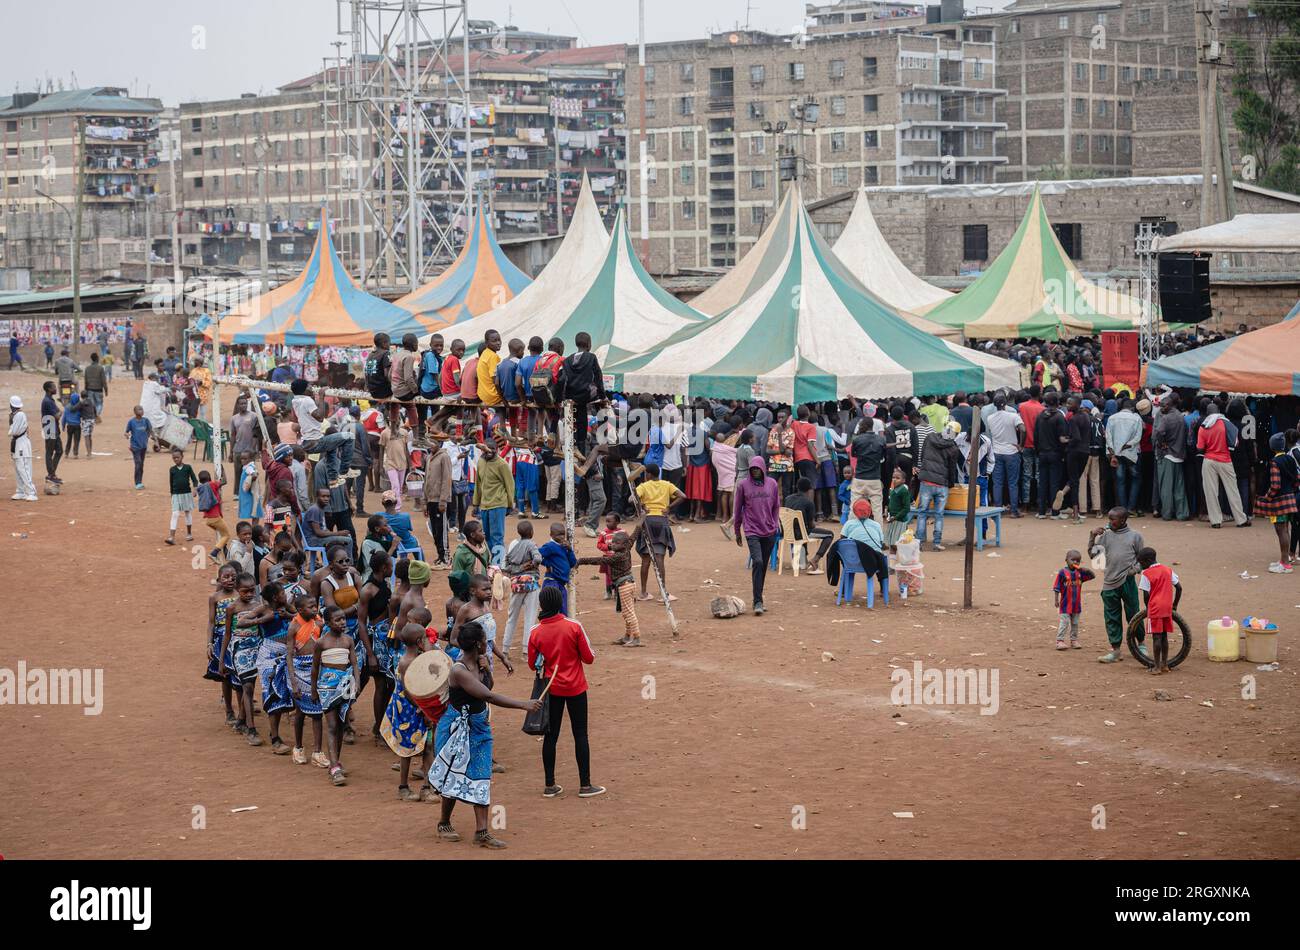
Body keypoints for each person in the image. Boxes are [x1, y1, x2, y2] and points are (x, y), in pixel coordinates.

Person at [431, 620, 542, 849]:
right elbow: (488, 696)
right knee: (454, 776)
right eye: (484, 641)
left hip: (478, 726)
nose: (487, 645)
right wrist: (524, 705)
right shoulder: (458, 670)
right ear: (476, 645)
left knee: (481, 774)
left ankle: (482, 831)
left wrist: (486, 668)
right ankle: (444, 822)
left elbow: (488, 687)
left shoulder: (476, 664)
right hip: (457, 729)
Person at [527, 584, 606, 798]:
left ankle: (550, 784)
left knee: (550, 736)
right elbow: (589, 658)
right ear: (560, 603)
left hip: (551, 689)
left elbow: (533, 664)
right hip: (576, 687)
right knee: (580, 734)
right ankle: (585, 785)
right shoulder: (573, 626)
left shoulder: (535, 631)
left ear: (542, 604)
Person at [382, 622, 438, 802]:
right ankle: (403, 787)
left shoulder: (413, 657)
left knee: (428, 745)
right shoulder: (408, 662)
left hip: (415, 708)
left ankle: (426, 787)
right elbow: (408, 690)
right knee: (406, 749)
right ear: (419, 641)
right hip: (410, 709)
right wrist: (423, 708)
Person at [310, 605, 361, 786]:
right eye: (337, 620)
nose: (342, 622)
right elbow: (315, 668)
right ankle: (334, 768)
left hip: (345, 686)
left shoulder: (348, 640)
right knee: (332, 725)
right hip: (327, 686)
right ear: (328, 622)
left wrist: (357, 682)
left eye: (343, 619)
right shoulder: (321, 643)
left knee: (340, 725)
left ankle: (336, 762)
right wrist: (314, 690)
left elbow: (354, 664)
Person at [1088, 507, 1145, 664]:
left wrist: (1133, 571)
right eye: (1109, 518)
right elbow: (1094, 555)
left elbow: (1142, 558)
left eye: (1113, 519)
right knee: (1111, 617)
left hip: (1127, 582)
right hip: (1109, 583)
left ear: (1123, 520)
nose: (1110, 522)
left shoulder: (1135, 536)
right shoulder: (1105, 536)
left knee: (1134, 613)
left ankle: (1141, 644)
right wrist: (1092, 536)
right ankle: (1116, 650)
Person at [219, 572, 265, 747]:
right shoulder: (232, 608)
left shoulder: (257, 605)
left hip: (256, 648)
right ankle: (251, 729)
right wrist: (222, 659)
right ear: (238, 590)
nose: (249, 594)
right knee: (247, 686)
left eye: (252, 591)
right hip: (239, 650)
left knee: (250, 686)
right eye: (245, 591)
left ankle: (240, 720)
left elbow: (261, 629)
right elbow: (228, 634)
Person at [733, 456, 781, 616]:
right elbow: (737, 508)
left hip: (769, 531)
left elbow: (776, 506)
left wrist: (775, 525)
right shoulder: (743, 486)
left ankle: (758, 598)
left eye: (757, 469)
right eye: (752, 470)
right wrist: (737, 530)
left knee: (763, 566)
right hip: (751, 529)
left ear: (762, 469)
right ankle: (757, 602)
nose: (755, 472)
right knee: (758, 562)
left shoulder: (772, 484)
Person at [578, 530, 641, 647]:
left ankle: (636, 638)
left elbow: (599, 560)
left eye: (616, 543)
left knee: (629, 613)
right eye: (612, 542)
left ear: (623, 545)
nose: (612, 545)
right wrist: (641, 521)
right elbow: (634, 535)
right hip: (628, 584)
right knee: (627, 613)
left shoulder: (617, 556)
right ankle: (627, 636)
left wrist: (581, 561)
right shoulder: (627, 547)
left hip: (624, 586)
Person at [633, 463, 683, 603]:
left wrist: (642, 506)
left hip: (647, 521)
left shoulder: (643, 486)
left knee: (646, 559)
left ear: (648, 474)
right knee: (659, 557)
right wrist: (669, 507)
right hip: (661, 520)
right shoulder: (667, 484)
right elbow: (682, 495)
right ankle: (663, 592)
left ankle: (643, 593)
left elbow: (632, 498)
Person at [290, 379, 354, 488]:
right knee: (350, 436)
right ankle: (344, 470)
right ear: (304, 390)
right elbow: (320, 418)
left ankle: (333, 479)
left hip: (308, 443)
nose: (312, 388)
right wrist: (321, 397)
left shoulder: (295, 401)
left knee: (332, 445)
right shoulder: (307, 401)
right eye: (309, 386)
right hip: (316, 442)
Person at [1197, 402, 1250, 529]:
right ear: (1219, 411)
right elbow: (1235, 443)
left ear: (1207, 413)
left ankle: (1215, 521)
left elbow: (1200, 448)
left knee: (1211, 491)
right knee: (1233, 490)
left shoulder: (1203, 426)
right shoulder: (1226, 423)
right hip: (1225, 460)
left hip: (1208, 461)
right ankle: (1241, 520)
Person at [914, 420, 960, 552]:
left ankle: (919, 542)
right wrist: (950, 484)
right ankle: (937, 543)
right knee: (939, 515)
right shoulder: (953, 448)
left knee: (922, 513)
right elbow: (952, 470)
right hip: (942, 485)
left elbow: (922, 456)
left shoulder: (930, 438)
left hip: (926, 481)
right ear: (955, 434)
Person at [1256, 431, 1298, 574]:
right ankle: (1283, 560)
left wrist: (1267, 497)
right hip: (1290, 498)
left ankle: (1285, 564)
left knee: (1281, 531)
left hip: (1279, 502)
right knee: (1285, 529)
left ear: (1272, 447)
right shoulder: (1290, 459)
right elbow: (1297, 479)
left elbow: (1275, 485)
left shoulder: (1274, 462)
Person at [1136, 547, 1182, 675]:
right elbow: (1179, 588)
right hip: (1167, 607)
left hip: (1155, 608)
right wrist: (1174, 605)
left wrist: (1148, 609)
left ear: (1148, 560)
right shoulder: (1168, 570)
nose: (1141, 565)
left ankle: (1156, 667)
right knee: (1164, 636)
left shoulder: (1146, 574)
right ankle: (1165, 665)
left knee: (1156, 637)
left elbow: (1146, 595)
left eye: (1141, 562)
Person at [502, 520, 543, 657]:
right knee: (530, 617)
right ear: (531, 532)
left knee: (512, 617)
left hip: (517, 584)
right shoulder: (531, 544)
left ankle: (505, 649)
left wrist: (517, 569)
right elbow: (538, 559)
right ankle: (526, 651)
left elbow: (505, 566)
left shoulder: (515, 546)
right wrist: (528, 566)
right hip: (531, 583)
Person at [472, 437, 514, 566]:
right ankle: (494, 561)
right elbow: (478, 484)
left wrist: (510, 505)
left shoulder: (502, 464)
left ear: (496, 450)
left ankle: (499, 564)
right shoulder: (480, 462)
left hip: (498, 504)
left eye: (492, 450)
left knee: (497, 537)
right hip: (484, 505)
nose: (488, 453)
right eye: (486, 450)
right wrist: (476, 503)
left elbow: (510, 485)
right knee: (487, 537)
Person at [783, 476, 834, 575]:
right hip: (802, 533)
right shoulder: (809, 502)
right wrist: (814, 525)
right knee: (829, 534)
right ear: (809, 489)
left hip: (788, 532)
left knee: (803, 528)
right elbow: (811, 525)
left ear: (797, 487)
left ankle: (802, 560)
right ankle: (815, 559)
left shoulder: (788, 499)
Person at [986, 393, 1025, 517]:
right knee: (1012, 482)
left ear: (994, 404)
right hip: (1011, 452)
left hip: (997, 452)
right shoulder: (1013, 416)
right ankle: (1013, 511)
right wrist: (1021, 445)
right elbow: (1023, 429)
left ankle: (997, 510)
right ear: (1006, 403)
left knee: (998, 483)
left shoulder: (990, 418)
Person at [1153, 394, 1190, 522]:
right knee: (1179, 487)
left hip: (1167, 455)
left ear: (1169, 405)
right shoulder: (1181, 417)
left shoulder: (1166, 418)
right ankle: (1182, 514)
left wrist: (1161, 443)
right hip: (1179, 455)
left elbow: (1158, 432)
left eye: (1163, 406)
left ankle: (1167, 513)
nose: (1161, 408)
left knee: (1166, 487)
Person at [1105, 399, 1143, 516]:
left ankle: (1123, 509)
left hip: (1116, 454)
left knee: (1120, 481)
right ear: (1132, 408)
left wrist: (1113, 451)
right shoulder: (1136, 419)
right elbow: (1138, 437)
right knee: (1136, 479)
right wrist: (1126, 446)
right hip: (1131, 453)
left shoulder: (1112, 418)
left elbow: (1108, 436)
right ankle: (1131, 508)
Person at [1035, 392, 1070, 519]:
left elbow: (1036, 436)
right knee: (1054, 483)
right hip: (1055, 454)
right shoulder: (1059, 418)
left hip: (1042, 453)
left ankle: (1041, 511)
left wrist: (1038, 451)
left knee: (1042, 482)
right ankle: (1055, 512)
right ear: (1057, 403)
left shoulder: (1040, 416)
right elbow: (1062, 439)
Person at [1052, 549, 1095, 651]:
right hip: (1065, 604)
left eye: (1078, 560)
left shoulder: (1079, 573)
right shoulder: (1063, 572)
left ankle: (1074, 640)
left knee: (1075, 623)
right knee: (1065, 622)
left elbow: (1092, 576)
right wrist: (1056, 599)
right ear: (1066, 560)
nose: (1075, 562)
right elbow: (1056, 587)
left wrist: (1086, 570)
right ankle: (1060, 641)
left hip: (1076, 605)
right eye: (1073, 560)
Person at [422, 438, 453, 566]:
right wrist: (425, 501)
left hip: (440, 500)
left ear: (439, 443)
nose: (431, 445)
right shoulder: (429, 457)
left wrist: (443, 500)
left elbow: (447, 479)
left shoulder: (444, 457)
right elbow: (426, 481)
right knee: (434, 530)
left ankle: (446, 557)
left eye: (433, 442)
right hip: (430, 499)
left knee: (442, 530)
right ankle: (440, 555)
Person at [539, 521, 578, 616]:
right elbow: (537, 556)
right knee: (551, 609)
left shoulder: (564, 546)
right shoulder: (549, 546)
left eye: (563, 534)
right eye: (558, 535)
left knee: (563, 610)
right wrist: (547, 564)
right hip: (552, 582)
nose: (561, 537)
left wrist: (570, 550)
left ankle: (563, 628)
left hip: (561, 584)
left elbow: (573, 563)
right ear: (551, 535)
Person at [197, 469, 232, 565]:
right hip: (215, 518)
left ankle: (224, 552)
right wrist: (223, 470)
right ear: (209, 478)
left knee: (222, 534)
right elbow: (224, 481)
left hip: (209, 519)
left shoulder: (201, 488)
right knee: (226, 535)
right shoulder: (212, 484)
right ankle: (214, 553)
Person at [165, 448, 198, 544]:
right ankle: (171, 537)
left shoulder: (188, 467)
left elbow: (194, 480)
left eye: (177, 457)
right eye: (174, 458)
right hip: (176, 494)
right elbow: (171, 483)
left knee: (187, 512)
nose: (175, 459)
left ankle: (189, 533)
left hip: (186, 494)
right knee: (175, 514)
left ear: (182, 457)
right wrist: (172, 494)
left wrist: (195, 489)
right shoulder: (172, 470)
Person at [9, 395, 36, 502]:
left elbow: (14, 431)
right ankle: (20, 491)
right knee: (18, 469)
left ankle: (31, 492)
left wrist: (10, 431)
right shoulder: (13, 415)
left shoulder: (20, 415)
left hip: (22, 444)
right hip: (16, 443)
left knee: (24, 468)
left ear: (11, 404)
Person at [883, 468, 912, 552]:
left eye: (897, 478)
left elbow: (906, 508)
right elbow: (891, 503)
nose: (894, 480)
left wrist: (896, 517)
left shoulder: (903, 491)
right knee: (892, 542)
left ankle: (904, 560)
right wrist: (887, 511)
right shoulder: (893, 490)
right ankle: (893, 561)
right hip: (893, 520)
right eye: (893, 477)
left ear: (903, 480)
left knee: (898, 543)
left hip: (900, 521)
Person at [40, 381, 63, 486]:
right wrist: (60, 412)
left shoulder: (50, 400)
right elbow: (57, 415)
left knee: (59, 451)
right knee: (49, 452)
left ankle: (51, 474)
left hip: (53, 428)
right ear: (49, 389)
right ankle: (51, 475)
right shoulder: (47, 401)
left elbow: (58, 414)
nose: (56, 389)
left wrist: (59, 412)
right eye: (54, 387)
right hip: (50, 429)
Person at [83, 351, 108, 420]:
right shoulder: (100, 368)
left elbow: (86, 380)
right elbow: (103, 380)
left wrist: (86, 389)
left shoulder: (87, 368)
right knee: (99, 404)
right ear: (97, 359)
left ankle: (94, 415)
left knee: (92, 404)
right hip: (98, 389)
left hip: (89, 389)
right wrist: (106, 390)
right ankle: (96, 415)